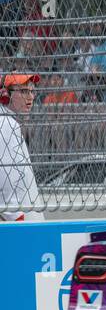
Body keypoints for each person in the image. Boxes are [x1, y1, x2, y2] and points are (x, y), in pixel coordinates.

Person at [0, 73, 43, 221]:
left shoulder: (9, 122)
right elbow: (6, 179)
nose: (30, 97)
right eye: (24, 91)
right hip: (21, 223)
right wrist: (16, 220)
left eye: (32, 91)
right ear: (6, 95)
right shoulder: (7, 124)